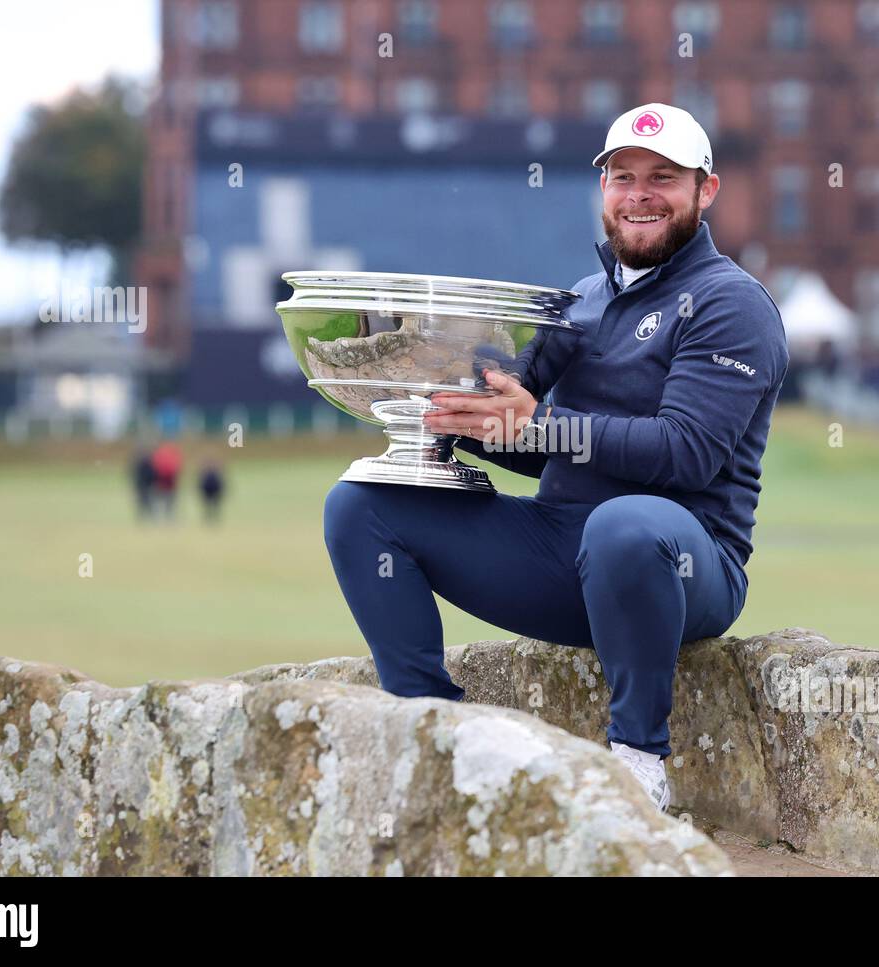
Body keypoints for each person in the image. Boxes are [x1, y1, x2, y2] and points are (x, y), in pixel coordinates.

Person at [322, 103, 790, 812]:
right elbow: (540, 445)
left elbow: (686, 453)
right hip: (559, 553)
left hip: (682, 565)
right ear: (603, 190)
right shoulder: (581, 301)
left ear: (706, 191)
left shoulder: (732, 304)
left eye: (663, 178)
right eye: (623, 176)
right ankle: (431, 730)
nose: (639, 193)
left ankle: (639, 760)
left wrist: (540, 423)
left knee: (623, 528)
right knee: (361, 504)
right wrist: (460, 418)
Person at [150, 440, 183, 520]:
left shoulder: (158, 456)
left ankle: (157, 519)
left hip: (159, 484)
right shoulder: (173, 457)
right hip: (170, 485)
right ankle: (169, 519)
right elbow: (177, 470)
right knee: (169, 504)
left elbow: (153, 470)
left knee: (158, 503)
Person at [131, 447, 156, 521]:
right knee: (147, 501)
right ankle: (147, 516)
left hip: (141, 484)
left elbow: (135, 474)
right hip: (147, 485)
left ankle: (143, 516)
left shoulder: (138, 463)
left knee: (143, 501)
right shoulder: (150, 463)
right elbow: (152, 474)